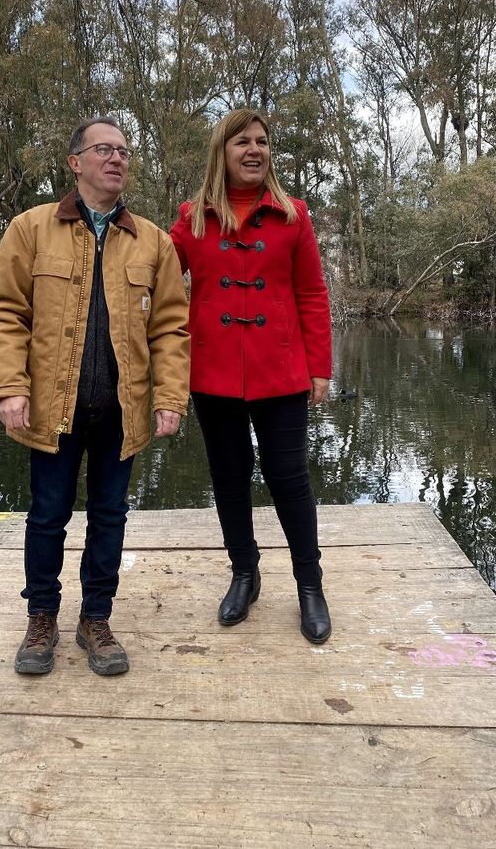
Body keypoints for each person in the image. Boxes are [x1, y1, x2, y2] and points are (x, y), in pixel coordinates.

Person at [0, 116, 190, 676]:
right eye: (104, 150)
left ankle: (96, 618)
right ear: (75, 162)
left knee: (110, 516)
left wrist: (171, 397)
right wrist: (9, 388)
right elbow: (3, 314)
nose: (117, 158)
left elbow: (170, 327)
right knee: (47, 516)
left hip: (121, 409)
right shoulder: (30, 229)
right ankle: (42, 617)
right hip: (53, 406)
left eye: (124, 150)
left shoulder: (153, 242)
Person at [170, 108, 332, 643]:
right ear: (223, 151)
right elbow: (153, 279)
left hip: (282, 375)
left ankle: (310, 585)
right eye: (243, 141)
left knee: (290, 481)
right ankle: (245, 572)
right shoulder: (192, 219)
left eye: (262, 142)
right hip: (212, 378)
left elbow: (312, 293)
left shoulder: (294, 216)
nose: (254, 150)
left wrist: (320, 370)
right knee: (229, 480)